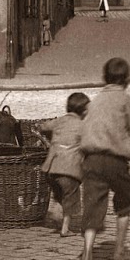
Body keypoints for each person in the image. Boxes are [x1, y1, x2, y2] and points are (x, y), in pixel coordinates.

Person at [77, 57, 130, 260]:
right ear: (127, 79)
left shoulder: (95, 101)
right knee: (126, 201)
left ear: (105, 78)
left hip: (91, 161)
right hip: (115, 161)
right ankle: (119, 250)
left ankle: (87, 255)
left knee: (92, 210)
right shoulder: (127, 100)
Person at [38, 92, 90, 237]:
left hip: (51, 167)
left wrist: (52, 139)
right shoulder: (83, 126)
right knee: (70, 197)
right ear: (84, 111)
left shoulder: (59, 121)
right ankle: (65, 228)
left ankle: (56, 210)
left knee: (59, 193)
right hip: (70, 170)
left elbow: (43, 127)